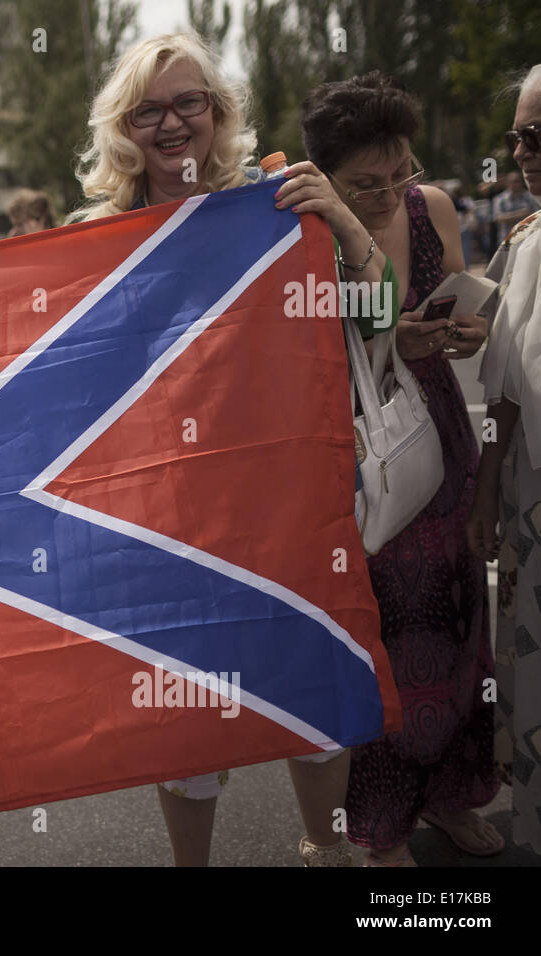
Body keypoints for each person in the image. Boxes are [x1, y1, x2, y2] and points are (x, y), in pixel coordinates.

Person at [0, 32, 390, 867]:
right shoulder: (93, 233)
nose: (172, 123)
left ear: (219, 113)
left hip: (280, 497)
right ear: (124, 127)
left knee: (309, 668)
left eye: (189, 103)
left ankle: (326, 849)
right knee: (185, 709)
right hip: (155, 514)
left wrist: (341, 219)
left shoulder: (276, 202)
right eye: (149, 110)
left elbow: (377, 313)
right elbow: (13, 349)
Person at [301, 71, 501, 866]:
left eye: (400, 175)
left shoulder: (434, 210)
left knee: (456, 621)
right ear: (327, 175)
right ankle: (377, 825)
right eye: (366, 184)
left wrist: (460, 335)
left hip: (440, 435)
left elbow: (459, 310)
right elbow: (308, 350)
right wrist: (394, 342)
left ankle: (454, 797)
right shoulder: (308, 232)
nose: (389, 194)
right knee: (377, 635)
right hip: (353, 443)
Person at [466, 64, 541, 857]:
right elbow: (505, 396)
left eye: (538, 134)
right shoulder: (523, 243)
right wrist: (486, 495)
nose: (522, 152)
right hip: (529, 513)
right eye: (518, 135)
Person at [493, 170, 541, 237]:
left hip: (528, 237)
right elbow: (498, 219)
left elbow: (537, 215)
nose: (515, 184)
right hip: (508, 240)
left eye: (517, 181)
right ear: (507, 183)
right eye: (512, 182)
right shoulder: (500, 199)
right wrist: (522, 214)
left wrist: (508, 217)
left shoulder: (531, 197)